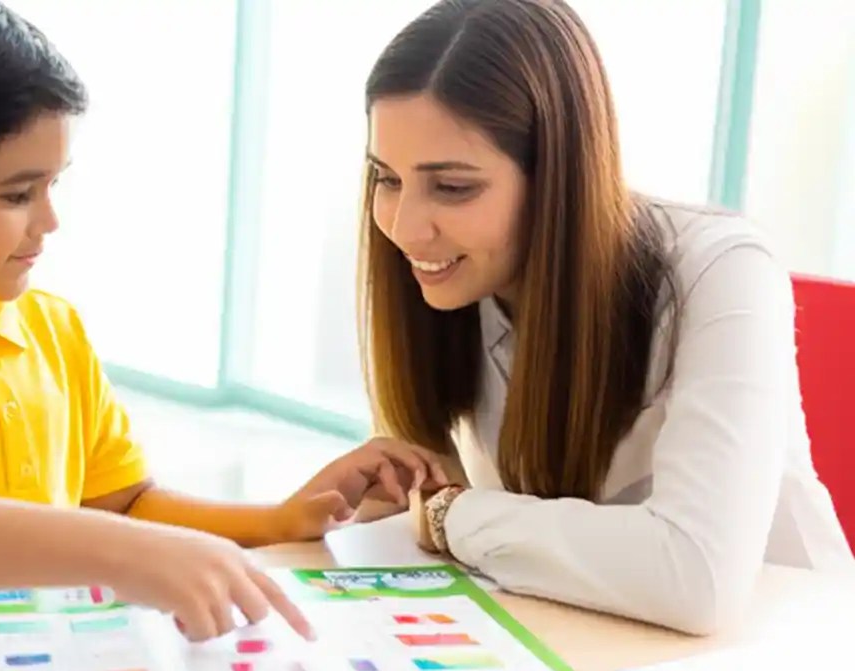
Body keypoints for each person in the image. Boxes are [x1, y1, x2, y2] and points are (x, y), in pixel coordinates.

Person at [0, 0, 431, 641]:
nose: (49, 220)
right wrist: (122, 553)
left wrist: (279, 519)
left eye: (53, 184)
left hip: (14, 658)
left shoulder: (52, 328)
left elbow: (125, 505)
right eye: (17, 194)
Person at [351, 0, 853, 635]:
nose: (403, 228)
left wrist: (452, 513)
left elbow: (695, 577)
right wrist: (386, 502)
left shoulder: (725, 269)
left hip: (782, 654)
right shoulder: (457, 282)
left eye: (452, 187)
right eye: (387, 178)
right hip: (588, 644)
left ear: (558, 176)